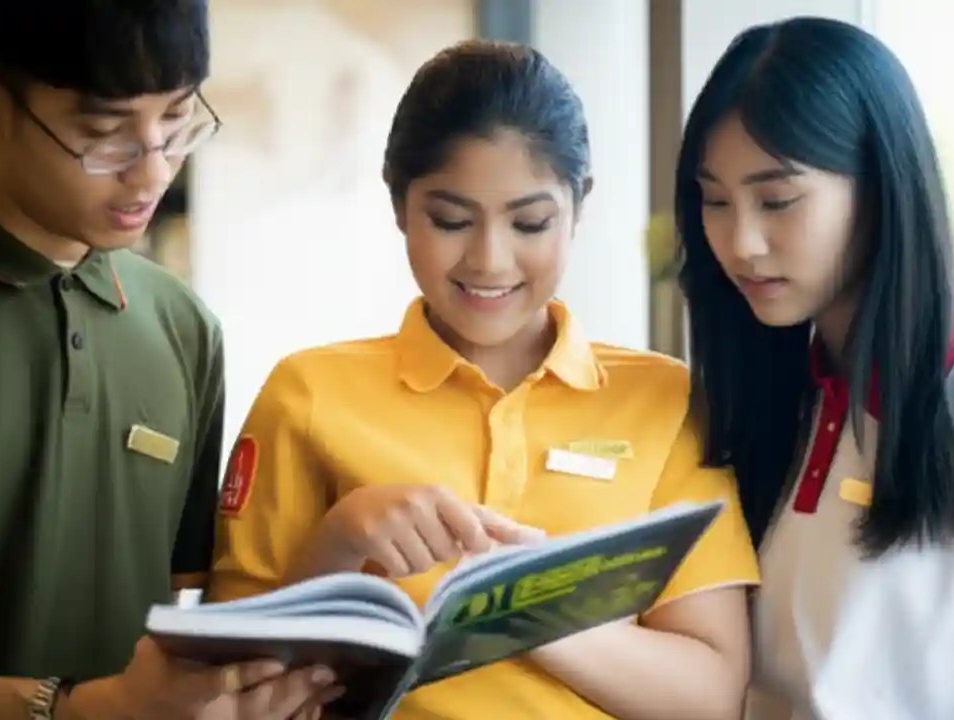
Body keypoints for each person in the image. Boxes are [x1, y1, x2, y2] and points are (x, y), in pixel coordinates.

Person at [208, 40, 759, 720]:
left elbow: (711, 696)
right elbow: (231, 688)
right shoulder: (309, 393)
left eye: (530, 222)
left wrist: (522, 601)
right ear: (399, 207)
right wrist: (340, 539)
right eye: (451, 221)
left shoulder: (665, 400)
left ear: (578, 208)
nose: (490, 260)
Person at [0, 2, 334, 718]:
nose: (153, 175)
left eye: (177, 123)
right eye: (105, 135)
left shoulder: (184, 329)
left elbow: (171, 623)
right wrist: (64, 710)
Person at [674, 16, 954, 720]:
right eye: (714, 201)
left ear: (881, 186)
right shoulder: (770, 395)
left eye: (777, 200)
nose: (742, 241)